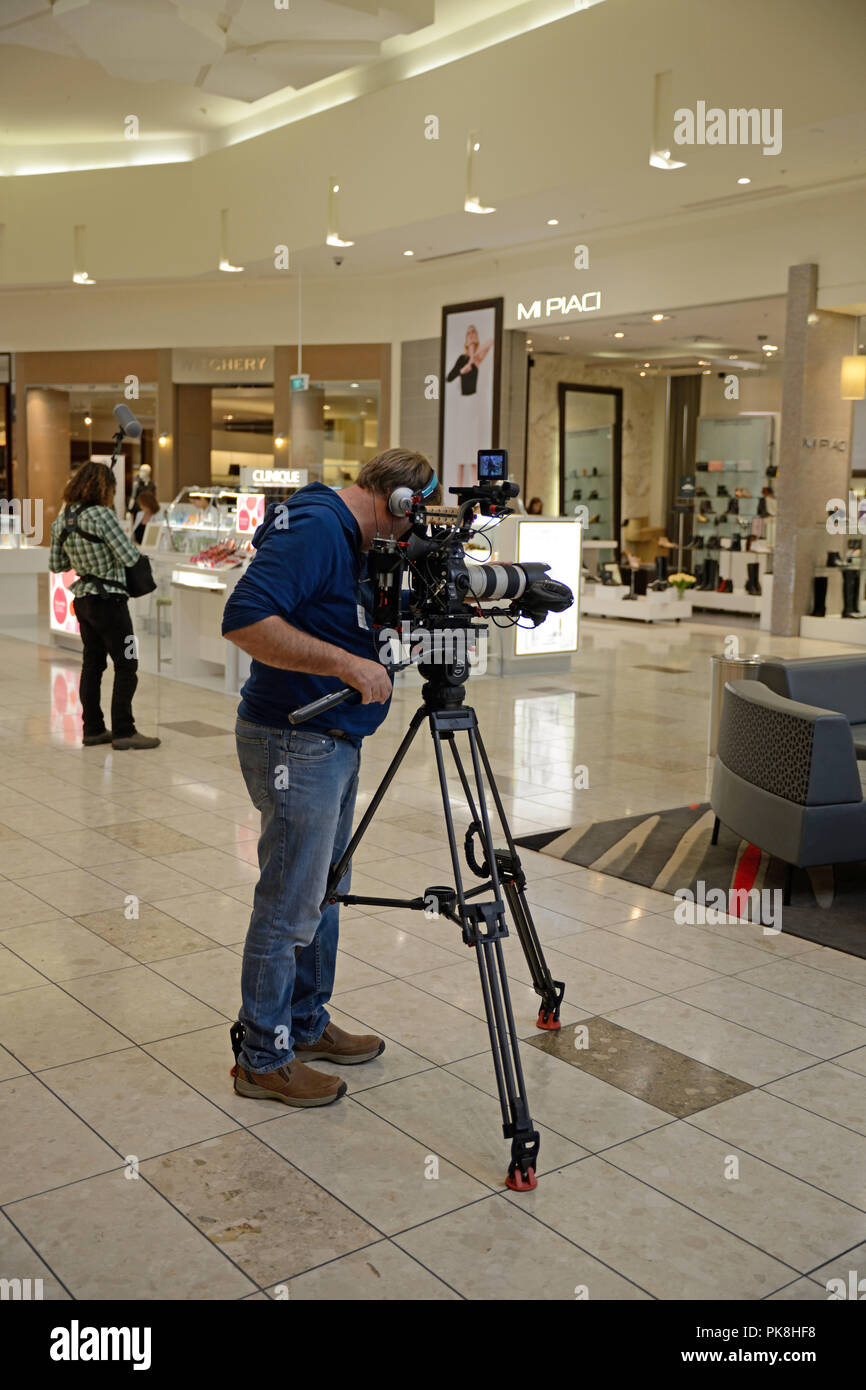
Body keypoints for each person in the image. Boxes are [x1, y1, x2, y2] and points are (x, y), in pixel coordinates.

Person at [222, 448, 436, 1108]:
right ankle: (263, 1056)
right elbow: (246, 620)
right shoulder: (318, 528)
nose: (412, 538)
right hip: (295, 738)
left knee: (325, 893)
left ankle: (305, 1024)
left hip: (332, 738)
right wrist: (347, 663)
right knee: (290, 901)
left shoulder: (351, 536)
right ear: (395, 503)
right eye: (413, 521)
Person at [49, 461, 160, 751]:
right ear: (105, 488)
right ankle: (124, 730)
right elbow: (127, 555)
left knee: (92, 664)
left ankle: (93, 729)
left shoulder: (62, 519)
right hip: (110, 601)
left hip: (83, 600)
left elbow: (57, 564)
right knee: (127, 663)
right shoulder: (102, 515)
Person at [445, 323, 494, 486]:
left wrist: (473, 356)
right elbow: (449, 377)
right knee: (461, 450)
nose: (472, 335)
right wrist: (463, 370)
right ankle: (458, 493)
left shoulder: (477, 358)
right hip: (464, 403)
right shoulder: (462, 359)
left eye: (474, 332)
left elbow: (491, 341)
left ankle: (475, 487)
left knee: (473, 450)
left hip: (474, 404)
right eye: (469, 333)